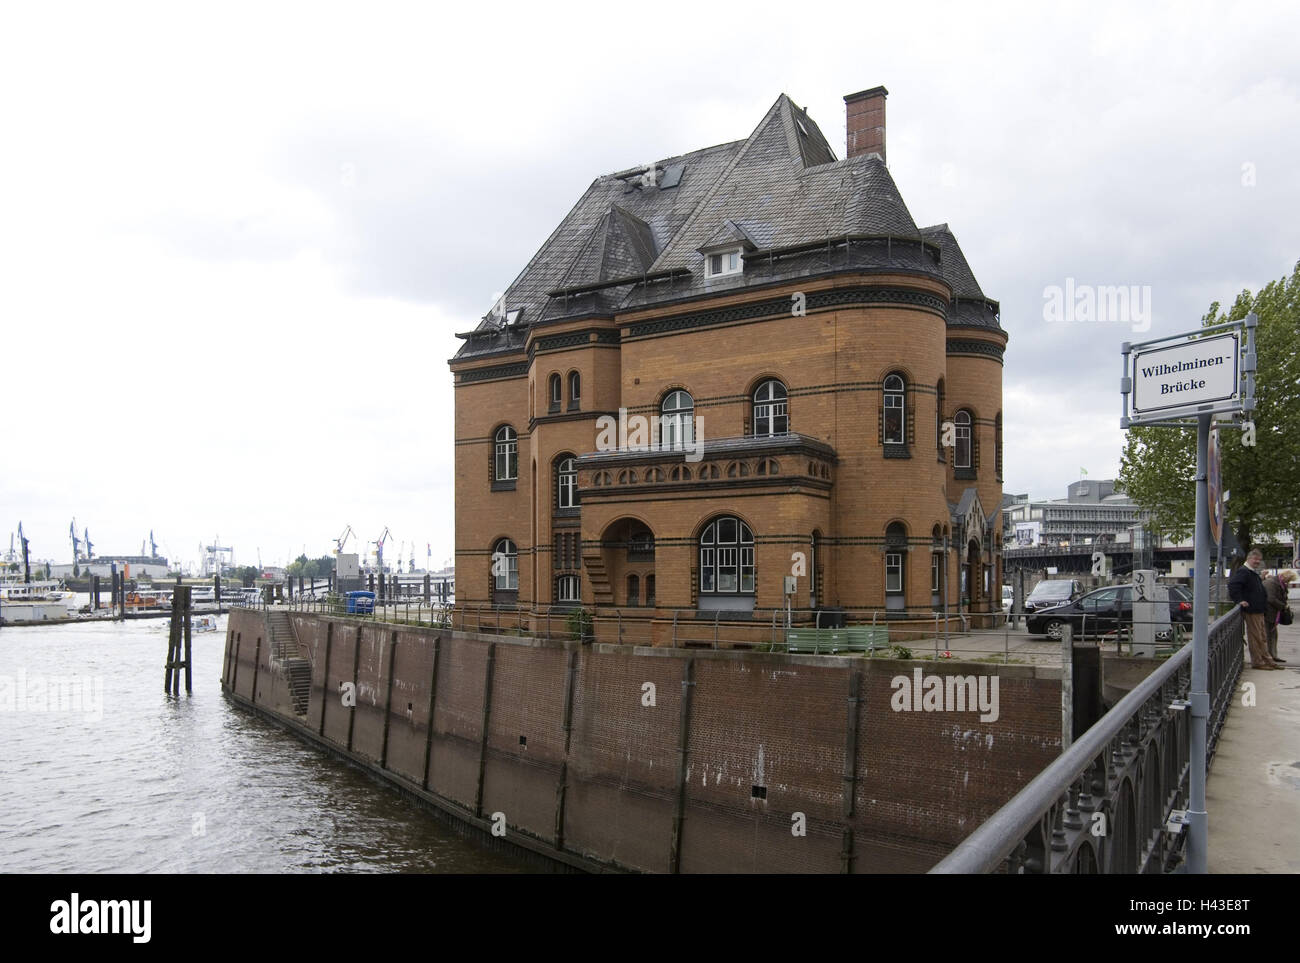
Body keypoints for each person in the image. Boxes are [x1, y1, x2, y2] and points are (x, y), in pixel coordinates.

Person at [1229, 549, 1281, 669]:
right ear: (1249, 559)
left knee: (1262, 637)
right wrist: (1239, 600)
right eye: (1255, 559)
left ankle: (1267, 660)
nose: (1257, 562)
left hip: (1258, 609)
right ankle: (1258, 662)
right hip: (1252, 610)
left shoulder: (1251, 572)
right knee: (1256, 637)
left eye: (1259, 559)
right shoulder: (1244, 572)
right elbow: (1233, 585)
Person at [1263, 568, 1296, 663]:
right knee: (1267, 635)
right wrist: (1283, 606)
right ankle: (1268, 656)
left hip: (1273, 613)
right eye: (1288, 580)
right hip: (1268, 613)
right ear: (1285, 577)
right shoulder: (1271, 583)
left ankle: (1273, 655)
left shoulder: (1279, 583)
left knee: (1273, 635)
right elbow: (1271, 598)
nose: (1288, 582)